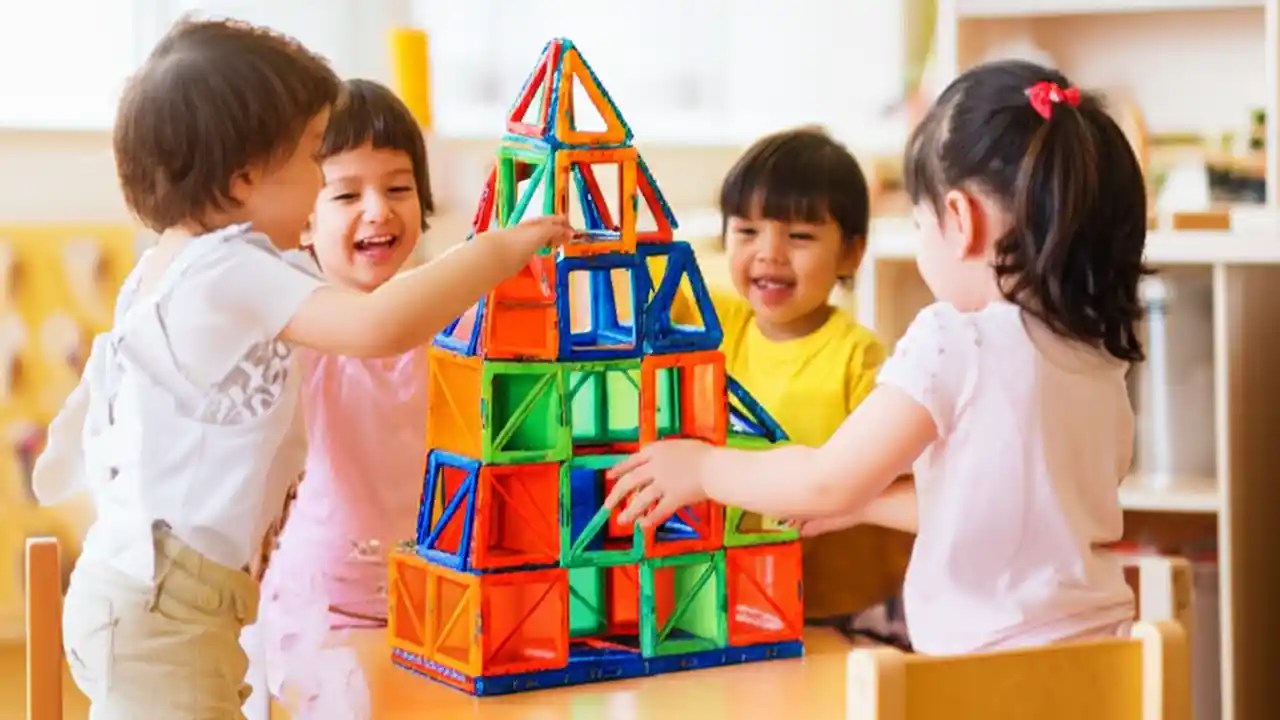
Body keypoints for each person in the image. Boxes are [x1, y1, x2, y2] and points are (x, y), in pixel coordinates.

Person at [31, 18, 570, 719]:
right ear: (245, 176)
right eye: (319, 164)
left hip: (155, 600)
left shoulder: (167, 268)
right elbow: (378, 325)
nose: (322, 184)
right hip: (167, 611)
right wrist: (497, 252)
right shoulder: (231, 270)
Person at [607, 59, 1146, 655]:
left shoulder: (952, 340)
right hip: (1104, 655)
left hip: (983, 672)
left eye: (920, 223)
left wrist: (702, 470)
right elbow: (995, 511)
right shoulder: (1096, 358)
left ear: (959, 221)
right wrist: (863, 504)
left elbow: (825, 479)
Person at [240, 78, 436, 719]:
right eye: (347, 193)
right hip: (319, 609)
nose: (378, 210)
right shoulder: (301, 325)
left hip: (434, 601)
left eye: (398, 188)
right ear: (305, 221)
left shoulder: (450, 325)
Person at [673, 127, 912, 639]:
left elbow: (899, 473)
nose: (770, 254)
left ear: (851, 254)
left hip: (847, 602)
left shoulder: (858, 356)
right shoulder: (718, 322)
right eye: (747, 232)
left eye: (800, 236)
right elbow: (648, 279)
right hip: (737, 594)